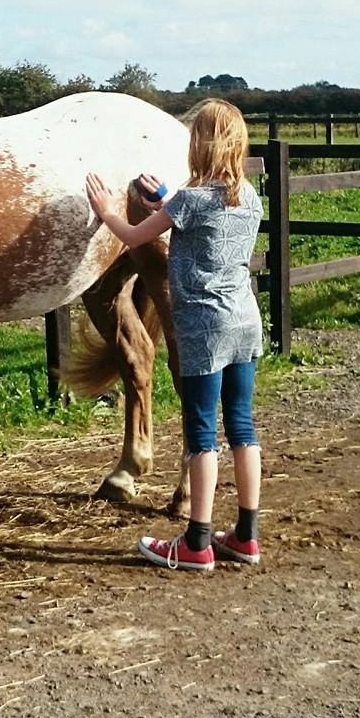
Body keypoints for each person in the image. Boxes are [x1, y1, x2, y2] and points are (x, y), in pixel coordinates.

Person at [85, 99, 263, 572]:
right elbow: (204, 222)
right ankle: (246, 535)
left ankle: (197, 542)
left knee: (201, 434)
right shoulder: (249, 196)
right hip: (245, 322)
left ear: (199, 144)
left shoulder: (190, 200)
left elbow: (131, 233)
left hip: (203, 329)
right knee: (242, 428)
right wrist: (166, 201)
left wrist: (106, 210)